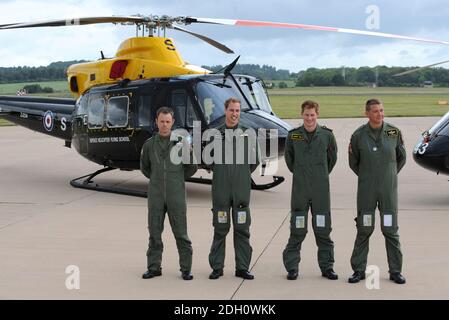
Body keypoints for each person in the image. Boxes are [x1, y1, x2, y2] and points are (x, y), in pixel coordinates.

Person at [348, 99, 406, 284]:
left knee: (390, 229)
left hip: (388, 191)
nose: (379, 114)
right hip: (367, 191)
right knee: (364, 229)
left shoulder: (393, 132)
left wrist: (388, 175)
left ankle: (395, 271)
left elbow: (401, 158)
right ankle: (358, 270)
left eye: (381, 110)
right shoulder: (358, 136)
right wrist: (368, 176)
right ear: (367, 113)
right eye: (375, 111)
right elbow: (353, 162)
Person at [282, 100, 338, 280]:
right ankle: (292, 267)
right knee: (297, 229)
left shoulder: (327, 136)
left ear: (317, 115)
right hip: (300, 189)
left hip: (321, 190)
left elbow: (332, 159)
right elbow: (289, 160)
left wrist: (320, 174)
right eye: (306, 114)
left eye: (312, 114)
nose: (309, 118)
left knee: (323, 229)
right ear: (302, 115)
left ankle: (327, 267)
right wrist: (301, 173)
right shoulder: (294, 136)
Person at [140, 107, 197, 280]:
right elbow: (145, 168)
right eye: (161, 121)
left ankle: (186, 269)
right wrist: (159, 180)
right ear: (156, 122)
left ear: (172, 122)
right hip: (156, 196)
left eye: (167, 121)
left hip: (176, 196)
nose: (164, 125)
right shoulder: (149, 145)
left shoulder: (181, 143)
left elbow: (191, 167)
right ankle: (154, 267)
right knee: (154, 234)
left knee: (181, 234)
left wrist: (176, 179)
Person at [208, 97, 259, 280]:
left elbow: (254, 161)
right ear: (225, 111)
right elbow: (210, 161)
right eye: (231, 110)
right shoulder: (215, 134)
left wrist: (241, 174)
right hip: (221, 188)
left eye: (237, 111)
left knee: (242, 228)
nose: (235, 114)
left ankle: (242, 268)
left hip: (241, 189)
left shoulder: (248, 134)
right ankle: (217, 267)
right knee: (220, 228)